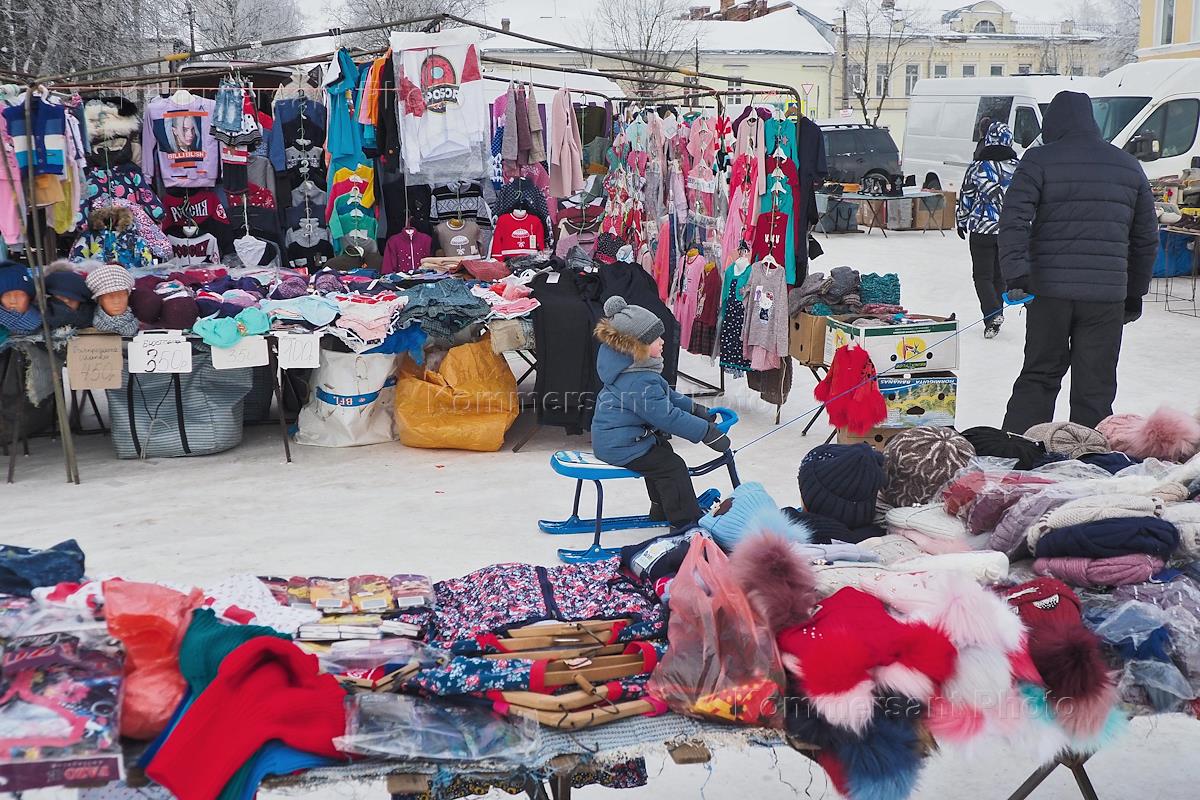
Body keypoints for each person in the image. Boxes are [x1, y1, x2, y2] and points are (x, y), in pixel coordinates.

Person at [998, 90, 1157, 433]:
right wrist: (1134, 292)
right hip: (1106, 298)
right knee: (1095, 388)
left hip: (1049, 292)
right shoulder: (1128, 166)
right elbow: (1145, 237)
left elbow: (1013, 221)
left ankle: (1017, 452)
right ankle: (1089, 464)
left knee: (1039, 375)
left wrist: (1016, 275)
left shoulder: (1039, 160)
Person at [591, 296, 730, 528]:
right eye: (655, 339)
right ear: (637, 346)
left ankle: (662, 508)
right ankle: (685, 522)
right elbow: (666, 417)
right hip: (619, 446)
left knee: (661, 449)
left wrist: (698, 410)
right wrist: (706, 432)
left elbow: (668, 396)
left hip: (620, 439)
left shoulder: (633, 369)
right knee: (671, 466)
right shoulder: (637, 381)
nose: (662, 342)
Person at [956, 121, 1020, 338]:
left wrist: (962, 221)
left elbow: (967, 195)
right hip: (1008, 230)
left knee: (982, 276)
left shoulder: (978, 166)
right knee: (999, 276)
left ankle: (992, 315)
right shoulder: (1018, 167)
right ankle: (995, 318)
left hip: (982, 229)